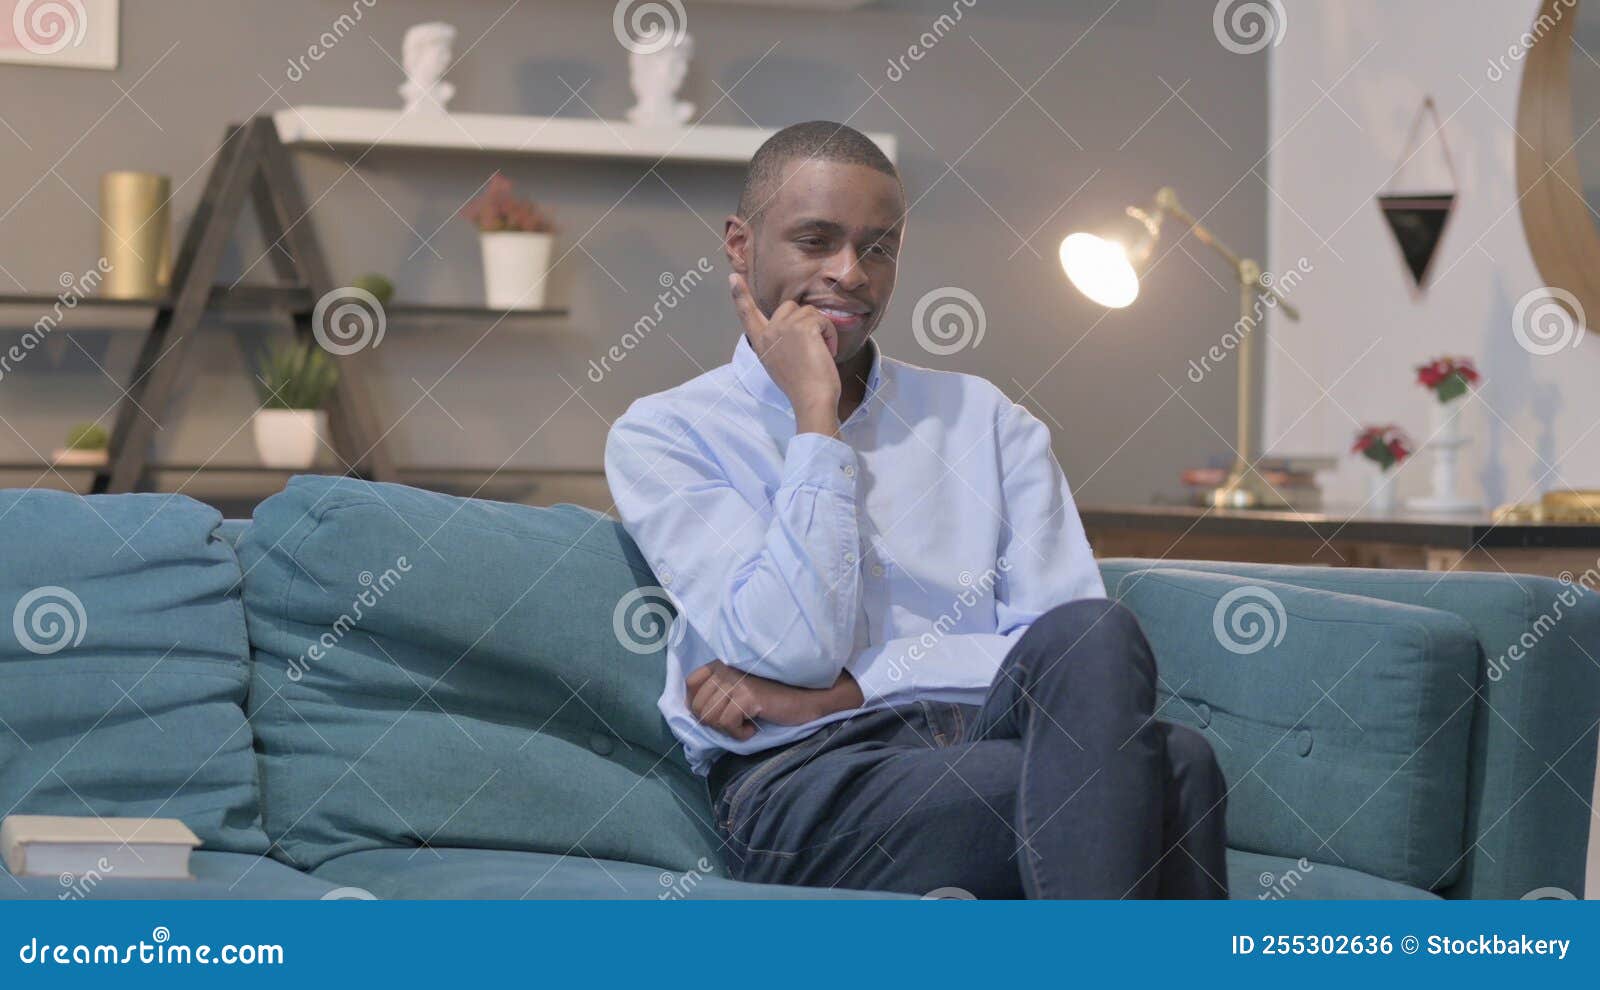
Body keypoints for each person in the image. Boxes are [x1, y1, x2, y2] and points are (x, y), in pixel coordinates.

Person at [604, 120, 1228, 899]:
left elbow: (1062, 652)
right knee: (1172, 770)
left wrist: (854, 685)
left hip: (983, 739)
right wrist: (815, 419)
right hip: (808, 779)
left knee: (1099, 639)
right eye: (816, 240)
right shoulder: (667, 434)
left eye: (878, 247)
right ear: (740, 244)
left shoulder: (986, 420)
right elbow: (790, 650)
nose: (851, 273)